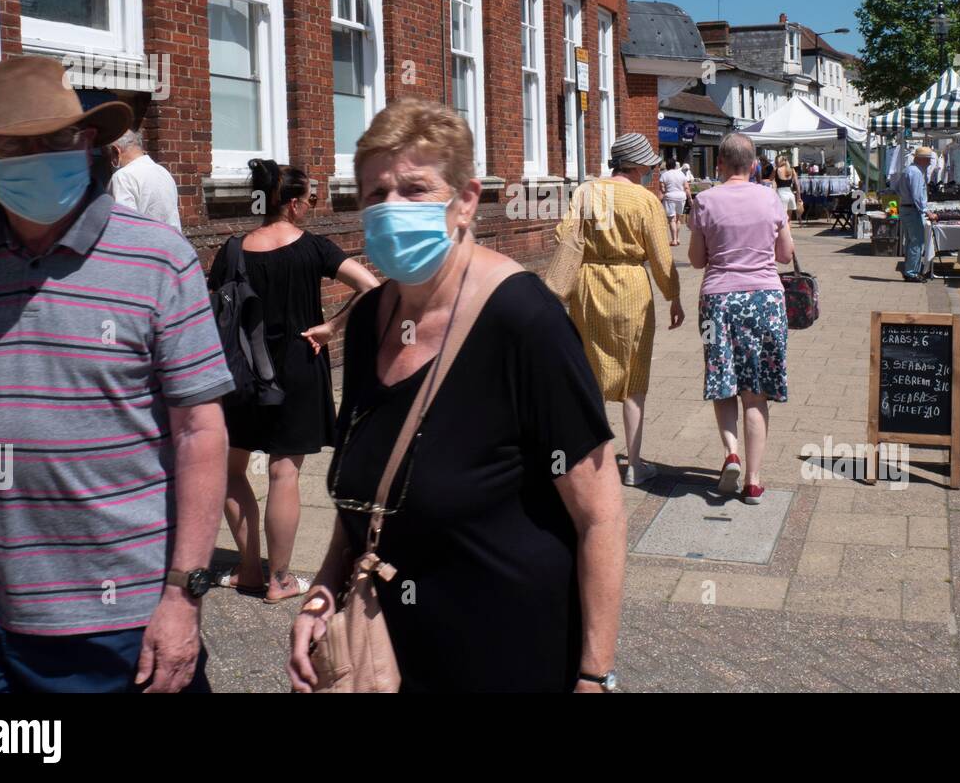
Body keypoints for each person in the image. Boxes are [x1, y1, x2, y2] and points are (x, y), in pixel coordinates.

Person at [0, 56, 233, 692]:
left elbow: (200, 431)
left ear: (87, 143)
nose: (42, 156)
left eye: (56, 140)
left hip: (116, 610)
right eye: (16, 145)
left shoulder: (160, 260)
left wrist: (184, 593)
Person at [286, 99, 624, 693]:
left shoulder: (524, 321)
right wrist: (322, 592)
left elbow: (601, 513)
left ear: (465, 199)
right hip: (387, 655)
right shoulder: (368, 321)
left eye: (415, 189)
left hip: (508, 657)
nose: (391, 209)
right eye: (375, 194)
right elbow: (368, 494)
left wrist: (595, 676)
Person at [208, 161, 378, 602]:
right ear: (296, 204)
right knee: (284, 475)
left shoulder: (232, 250)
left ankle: (247, 570)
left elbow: (211, 311)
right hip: (299, 368)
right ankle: (279, 580)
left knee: (231, 472)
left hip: (241, 374)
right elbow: (371, 288)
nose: (313, 206)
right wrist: (331, 328)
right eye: (312, 199)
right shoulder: (314, 248)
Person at [557, 133, 684, 487]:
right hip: (630, 284)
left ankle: (592, 461)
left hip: (588, 284)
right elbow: (660, 256)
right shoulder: (646, 200)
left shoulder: (585, 191)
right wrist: (673, 296)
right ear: (641, 165)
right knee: (634, 375)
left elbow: (563, 235)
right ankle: (634, 464)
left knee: (590, 369)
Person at [688, 133, 794, 505]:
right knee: (756, 392)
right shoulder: (771, 198)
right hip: (765, 300)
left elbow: (698, 260)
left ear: (719, 164)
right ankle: (753, 480)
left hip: (716, 301)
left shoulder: (703, 201)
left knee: (722, 379)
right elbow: (785, 255)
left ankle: (730, 453)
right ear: (753, 165)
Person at [108, 128, 182, 230]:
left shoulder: (123, 177)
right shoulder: (164, 173)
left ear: (116, 151)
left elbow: (124, 226)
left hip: (143, 243)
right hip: (172, 242)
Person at [895, 146, 938, 282]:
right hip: (912, 210)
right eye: (928, 160)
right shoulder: (916, 173)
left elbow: (896, 188)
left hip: (906, 208)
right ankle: (912, 272)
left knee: (910, 241)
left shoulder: (909, 170)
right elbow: (917, 195)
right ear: (920, 159)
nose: (930, 162)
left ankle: (909, 270)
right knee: (917, 242)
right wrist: (926, 211)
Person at [659, 158, 692, 247]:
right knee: (678, 219)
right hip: (681, 197)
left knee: (672, 220)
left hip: (670, 197)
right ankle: (677, 238)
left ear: (666, 166)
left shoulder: (664, 175)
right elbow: (686, 187)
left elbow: (662, 190)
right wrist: (690, 199)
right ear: (675, 165)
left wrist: (658, 201)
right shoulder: (681, 174)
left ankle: (673, 240)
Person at [774, 155, 802, 222]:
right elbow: (797, 185)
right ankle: (789, 232)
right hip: (790, 194)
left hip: (781, 194)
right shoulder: (792, 170)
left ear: (779, 162)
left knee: (782, 220)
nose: (775, 163)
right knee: (789, 220)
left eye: (776, 161)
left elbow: (770, 179)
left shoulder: (777, 170)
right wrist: (799, 197)